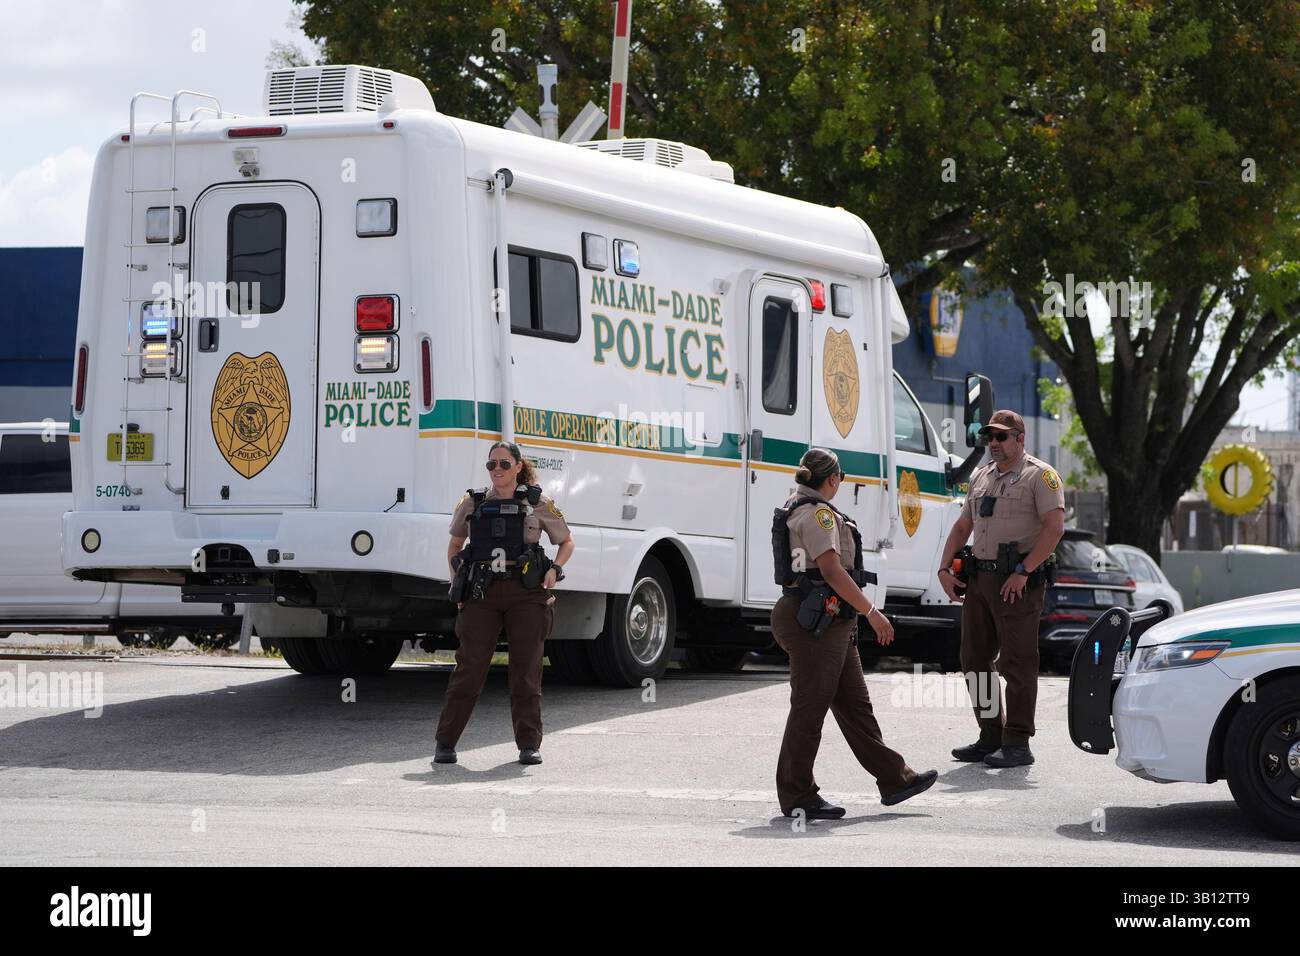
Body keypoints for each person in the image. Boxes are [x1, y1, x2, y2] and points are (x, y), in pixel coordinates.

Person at [771, 447, 939, 819]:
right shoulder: (818, 515)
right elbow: (832, 571)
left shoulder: (800, 506)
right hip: (816, 623)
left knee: (856, 708)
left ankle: (895, 779)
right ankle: (798, 795)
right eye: (841, 477)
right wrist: (873, 612)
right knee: (809, 709)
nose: (840, 483)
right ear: (832, 479)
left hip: (828, 621)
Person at [936, 409, 1066, 768]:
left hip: (1017, 583)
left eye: (1001, 436)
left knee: (1017, 662)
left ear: (1020, 438)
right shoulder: (981, 476)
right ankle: (990, 734)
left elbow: (1054, 529)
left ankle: (1018, 742)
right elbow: (964, 525)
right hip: (980, 580)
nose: (993, 443)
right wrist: (945, 568)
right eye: (989, 437)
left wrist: (1025, 570)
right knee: (973, 660)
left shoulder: (1040, 476)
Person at [433, 441, 575, 766]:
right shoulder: (473, 502)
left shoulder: (537, 502)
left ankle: (529, 745)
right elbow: (455, 544)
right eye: (491, 464)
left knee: (526, 670)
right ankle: (445, 743)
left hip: (526, 594)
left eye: (503, 464)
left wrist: (555, 570)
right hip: (481, 593)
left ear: (518, 466)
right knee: (469, 668)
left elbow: (566, 540)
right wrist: (458, 583)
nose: (497, 469)